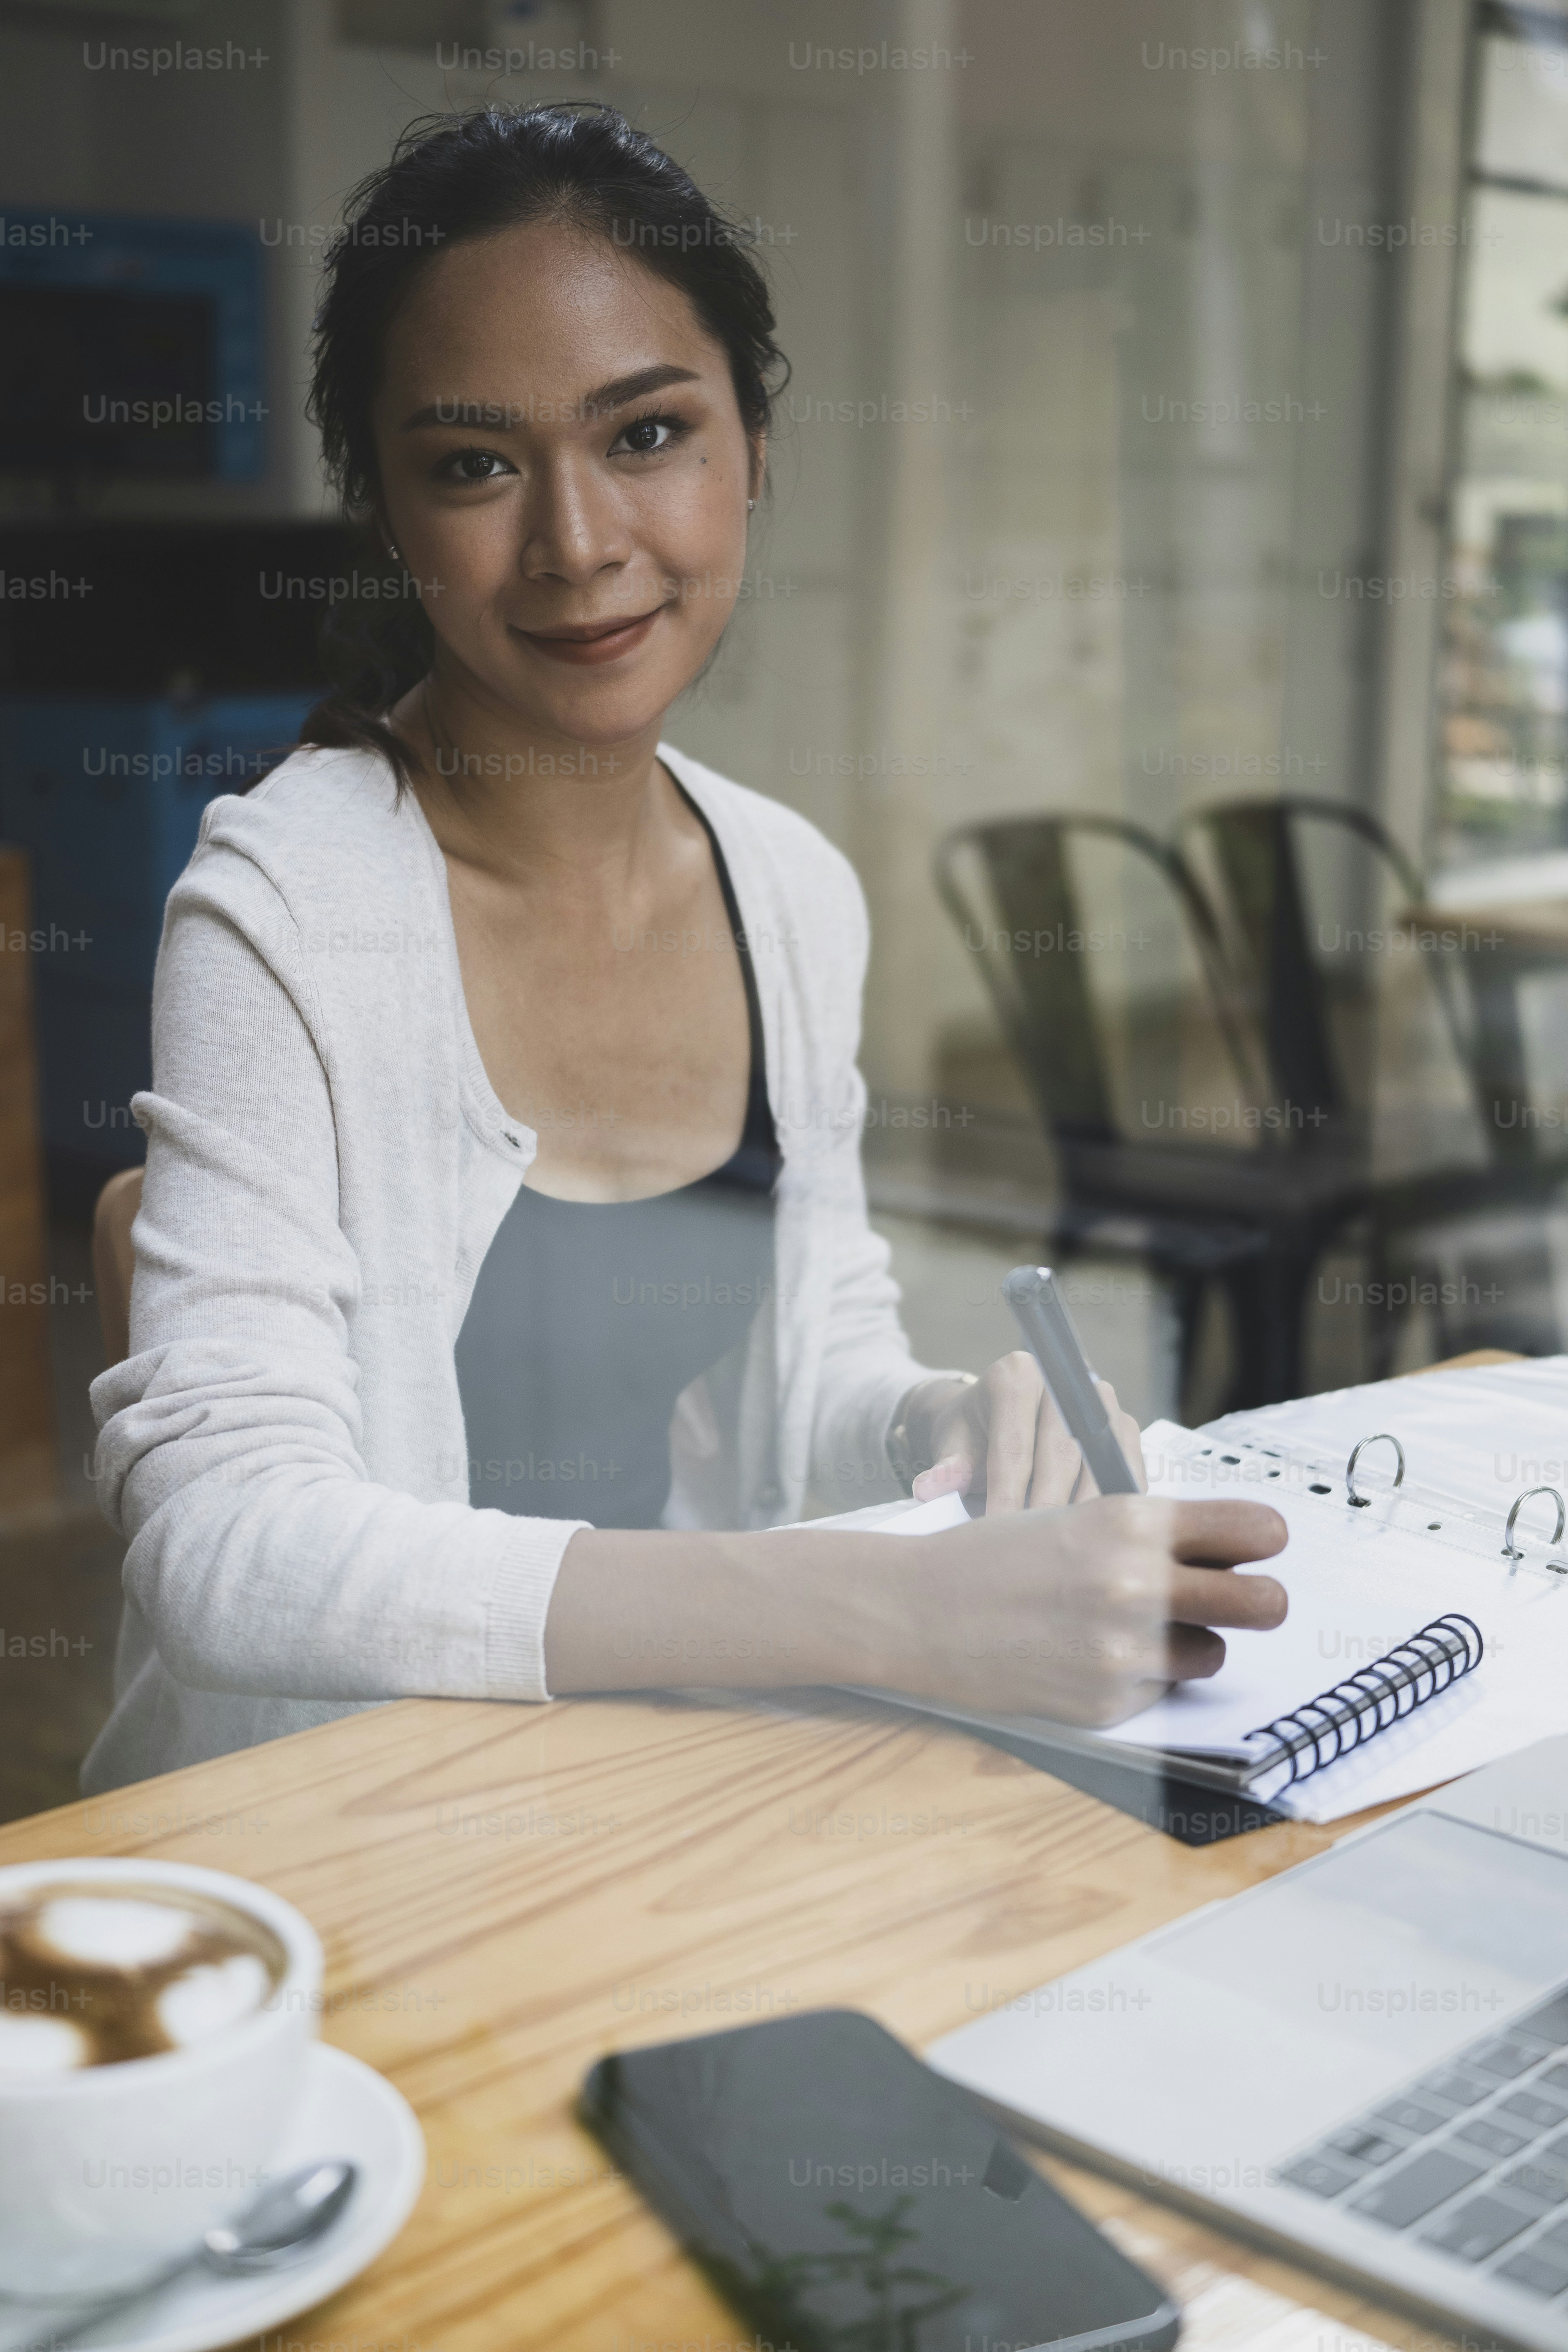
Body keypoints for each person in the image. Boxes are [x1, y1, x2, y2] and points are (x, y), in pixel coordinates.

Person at [83, 103, 1286, 1794]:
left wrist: (931, 1421)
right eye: (475, 464)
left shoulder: (787, 885)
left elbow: (816, 1364)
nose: (577, 543)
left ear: (753, 448)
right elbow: (229, 1546)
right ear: (387, 511)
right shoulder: (282, 913)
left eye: (645, 434)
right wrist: (867, 1605)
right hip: (338, 1825)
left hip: (656, 1789)